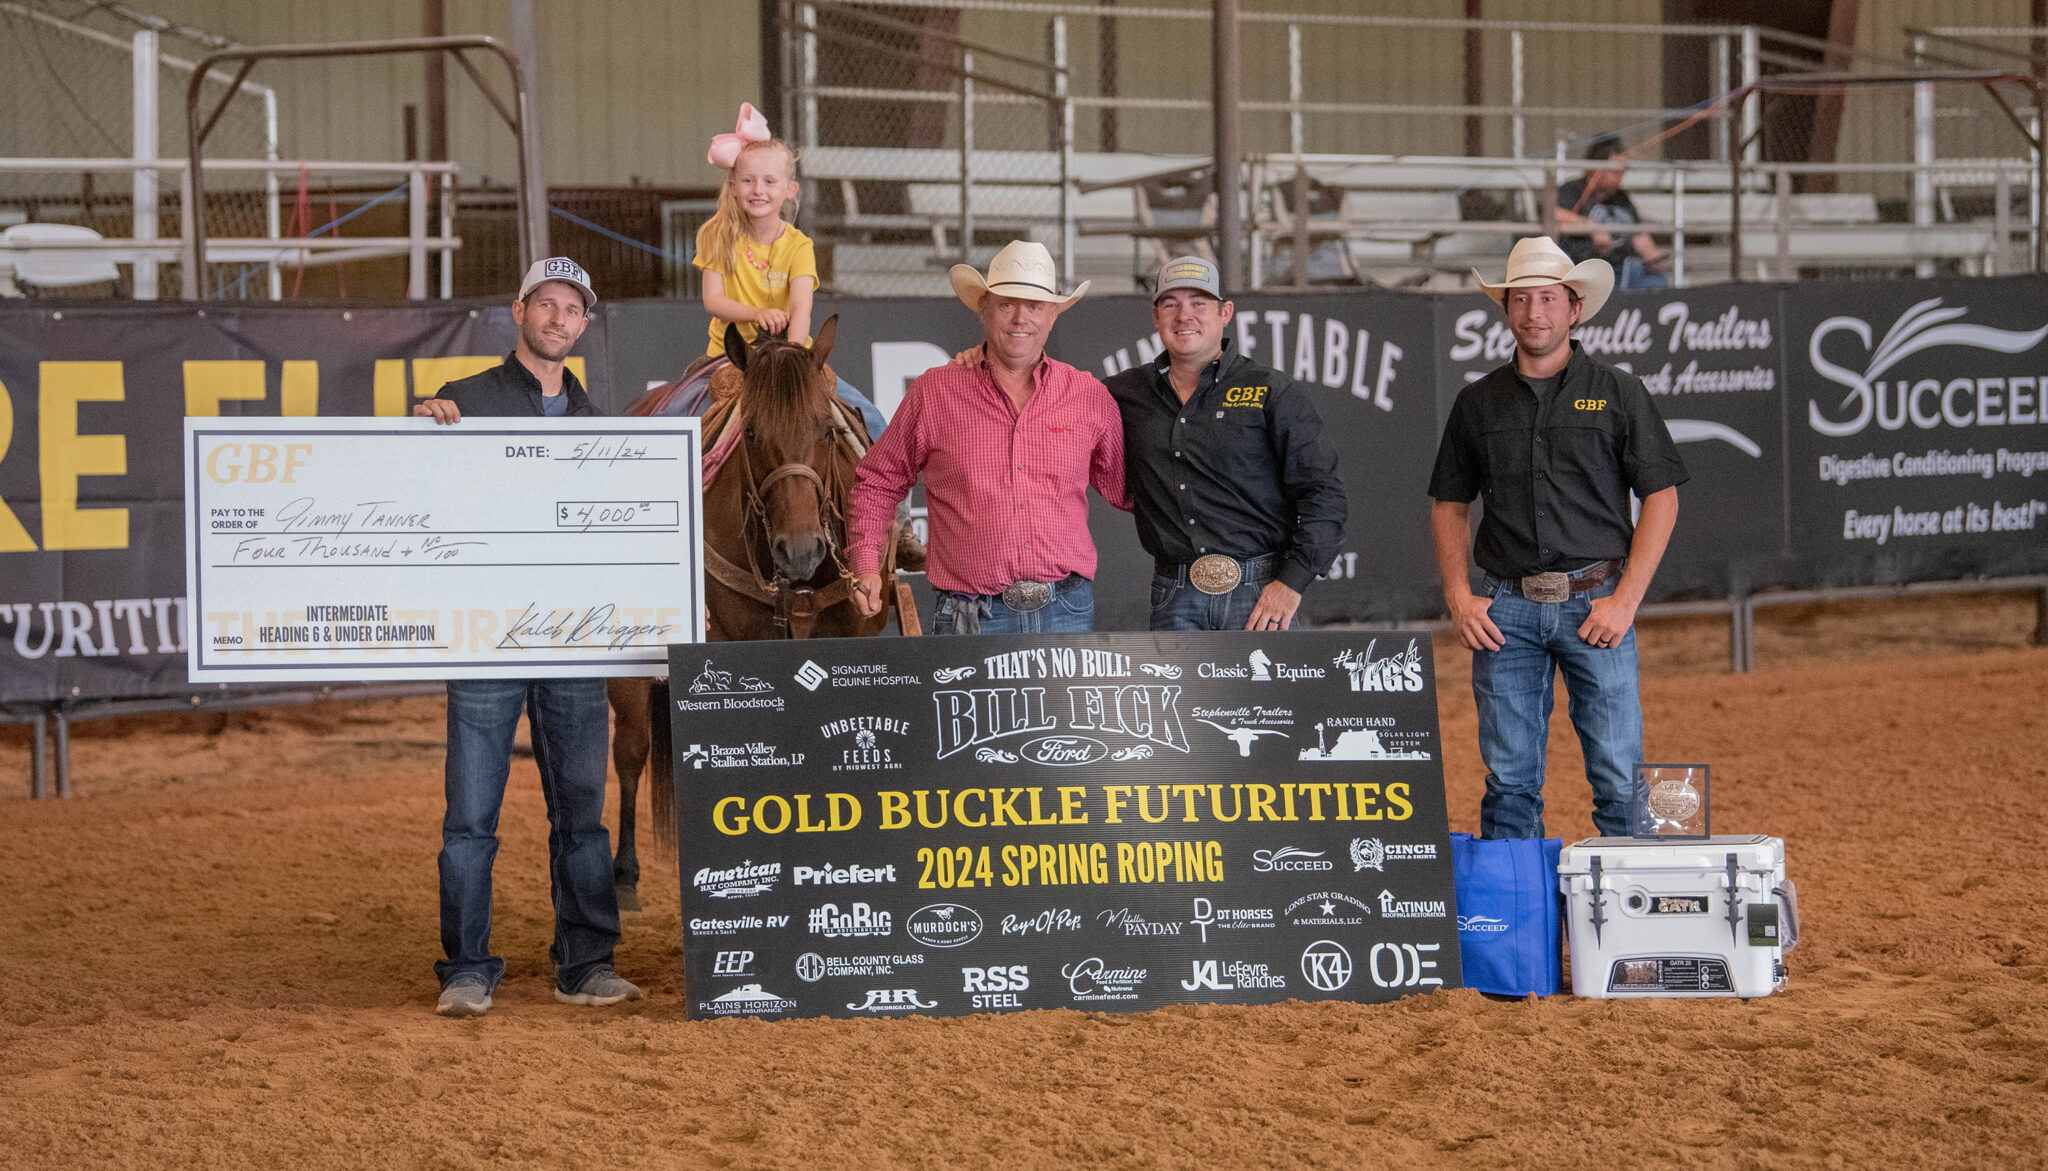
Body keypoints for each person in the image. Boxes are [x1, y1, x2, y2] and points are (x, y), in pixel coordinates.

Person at [412, 257, 640, 1018]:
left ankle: (587, 963)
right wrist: (423, 429)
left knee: (582, 815)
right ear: (520, 311)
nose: (557, 318)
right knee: (469, 817)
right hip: (485, 638)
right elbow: (415, 492)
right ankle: (465, 969)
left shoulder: (597, 428)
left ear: (583, 324)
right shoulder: (464, 401)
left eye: (572, 309)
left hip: (571, 641)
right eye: (546, 304)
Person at [1428, 236, 1688, 839]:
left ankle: (1626, 901)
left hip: (1597, 604)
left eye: (1548, 298)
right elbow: (1448, 504)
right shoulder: (1477, 402)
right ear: (1506, 310)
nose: (1534, 312)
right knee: (1509, 783)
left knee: (1619, 778)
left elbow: (1663, 498)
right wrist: (1459, 597)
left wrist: (1625, 602)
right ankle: (1518, 903)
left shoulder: (1620, 392)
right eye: (1521, 299)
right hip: (1506, 610)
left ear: (1575, 309)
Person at [846, 240, 1127, 634]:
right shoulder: (935, 392)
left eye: (1035, 306)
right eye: (1007, 304)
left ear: (1053, 315)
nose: (1020, 318)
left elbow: (1131, 489)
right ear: (984, 308)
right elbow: (877, 482)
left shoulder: (1087, 396)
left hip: (1066, 609)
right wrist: (864, 564)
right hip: (971, 614)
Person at [1105, 255, 1346, 631]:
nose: (1184, 315)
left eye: (1198, 302)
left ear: (1225, 312)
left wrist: (1291, 584)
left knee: (1268, 677)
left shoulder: (1272, 389)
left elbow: (1324, 494)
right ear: (1155, 317)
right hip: (1174, 595)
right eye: (1170, 304)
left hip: (1260, 593)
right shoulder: (1122, 392)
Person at [694, 102, 887, 439]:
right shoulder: (716, 235)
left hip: (791, 355)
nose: (758, 190)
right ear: (734, 185)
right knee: (674, 415)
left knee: (872, 421)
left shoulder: (799, 246)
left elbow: (800, 308)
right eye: (748, 180)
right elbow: (713, 300)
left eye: (770, 181)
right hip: (728, 359)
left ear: (789, 190)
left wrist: (793, 361)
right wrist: (758, 313)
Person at [1555, 135, 1668, 291]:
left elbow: (1640, 237)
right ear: (1596, 169)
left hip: (1620, 268)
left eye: (1622, 172)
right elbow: (1555, 214)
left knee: (1657, 281)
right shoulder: (1572, 190)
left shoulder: (1622, 198)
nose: (1621, 178)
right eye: (1615, 172)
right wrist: (1592, 227)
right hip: (1581, 266)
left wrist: (1654, 258)